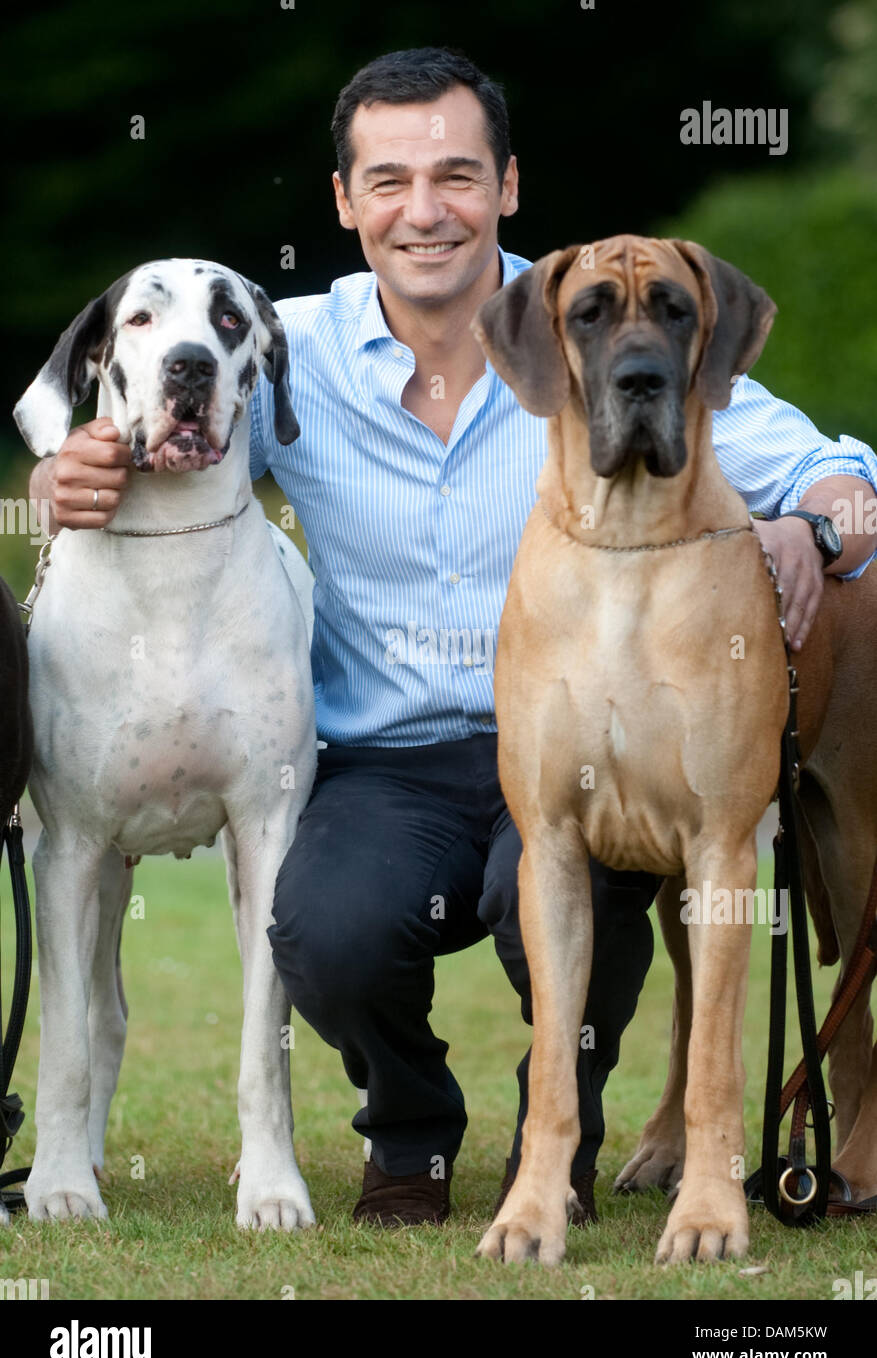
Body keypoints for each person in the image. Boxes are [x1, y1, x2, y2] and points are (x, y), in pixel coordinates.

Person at [29, 47, 877, 1228]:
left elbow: (832, 465)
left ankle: (560, 1139)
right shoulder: (283, 347)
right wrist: (68, 469)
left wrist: (818, 531)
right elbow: (167, 425)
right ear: (344, 202)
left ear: (508, 186)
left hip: (578, 749)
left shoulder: (584, 324)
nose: (423, 211)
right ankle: (411, 1135)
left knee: (572, 906)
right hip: (387, 767)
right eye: (388, 180)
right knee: (327, 925)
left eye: (456, 176)